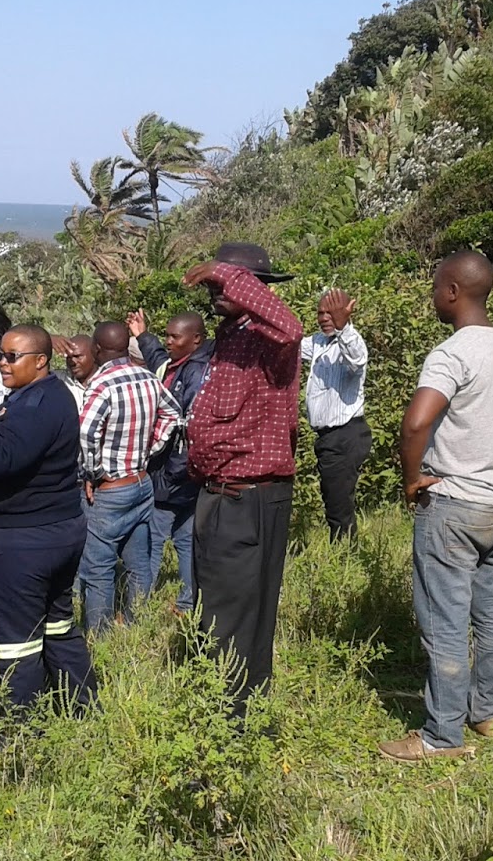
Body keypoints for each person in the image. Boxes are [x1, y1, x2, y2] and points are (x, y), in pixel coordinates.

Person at [379, 251, 493, 762]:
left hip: (455, 504)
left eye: (435, 286)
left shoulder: (451, 353)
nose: (432, 295)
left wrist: (411, 477)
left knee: (443, 619)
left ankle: (442, 734)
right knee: (490, 613)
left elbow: (416, 422)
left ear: (452, 292)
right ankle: (487, 712)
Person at [0, 324, 95, 711]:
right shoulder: (45, 395)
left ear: (40, 361)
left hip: (21, 542)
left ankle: (18, 735)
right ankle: (83, 706)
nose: (2, 365)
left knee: (14, 645)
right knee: (57, 627)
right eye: (0, 356)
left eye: (12, 357)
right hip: (57, 532)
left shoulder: (35, 405)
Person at [183, 242, 302, 713]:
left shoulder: (270, 341)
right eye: (214, 286)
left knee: (235, 617)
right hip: (220, 493)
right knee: (220, 610)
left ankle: (229, 719)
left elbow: (291, 327)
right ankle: (234, 711)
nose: (216, 292)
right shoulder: (228, 340)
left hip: (247, 498)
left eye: (224, 285)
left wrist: (230, 274)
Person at [74, 320, 182, 633]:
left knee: (99, 568)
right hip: (141, 482)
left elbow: (85, 432)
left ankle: (100, 638)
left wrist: (92, 472)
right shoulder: (148, 377)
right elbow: (175, 413)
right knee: (138, 563)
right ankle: (136, 624)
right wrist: (151, 447)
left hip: (110, 490)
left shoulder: (101, 385)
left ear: (96, 349)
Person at [129, 309, 214, 615]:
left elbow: (189, 427)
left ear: (196, 340)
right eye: (166, 335)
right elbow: (157, 359)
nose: (168, 341)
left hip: (175, 473)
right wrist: (142, 334)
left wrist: (172, 475)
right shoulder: (179, 364)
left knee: (151, 539)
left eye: (174, 337)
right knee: (186, 539)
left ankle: (138, 607)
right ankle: (188, 601)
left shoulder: (197, 372)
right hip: (180, 474)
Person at [300, 288, 371, 540]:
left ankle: (344, 557)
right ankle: (343, 549)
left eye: (331, 313)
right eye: (320, 313)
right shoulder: (319, 342)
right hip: (329, 438)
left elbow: (357, 359)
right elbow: (290, 344)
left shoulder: (351, 341)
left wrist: (344, 328)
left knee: (339, 503)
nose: (324, 318)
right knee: (333, 496)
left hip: (345, 434)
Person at [53, 334, 97, 407]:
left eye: (78, 356)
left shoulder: (106, 382)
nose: (72, 362)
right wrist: (49, 339)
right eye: (68, 357)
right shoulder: (60, 380)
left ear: (94, 355)